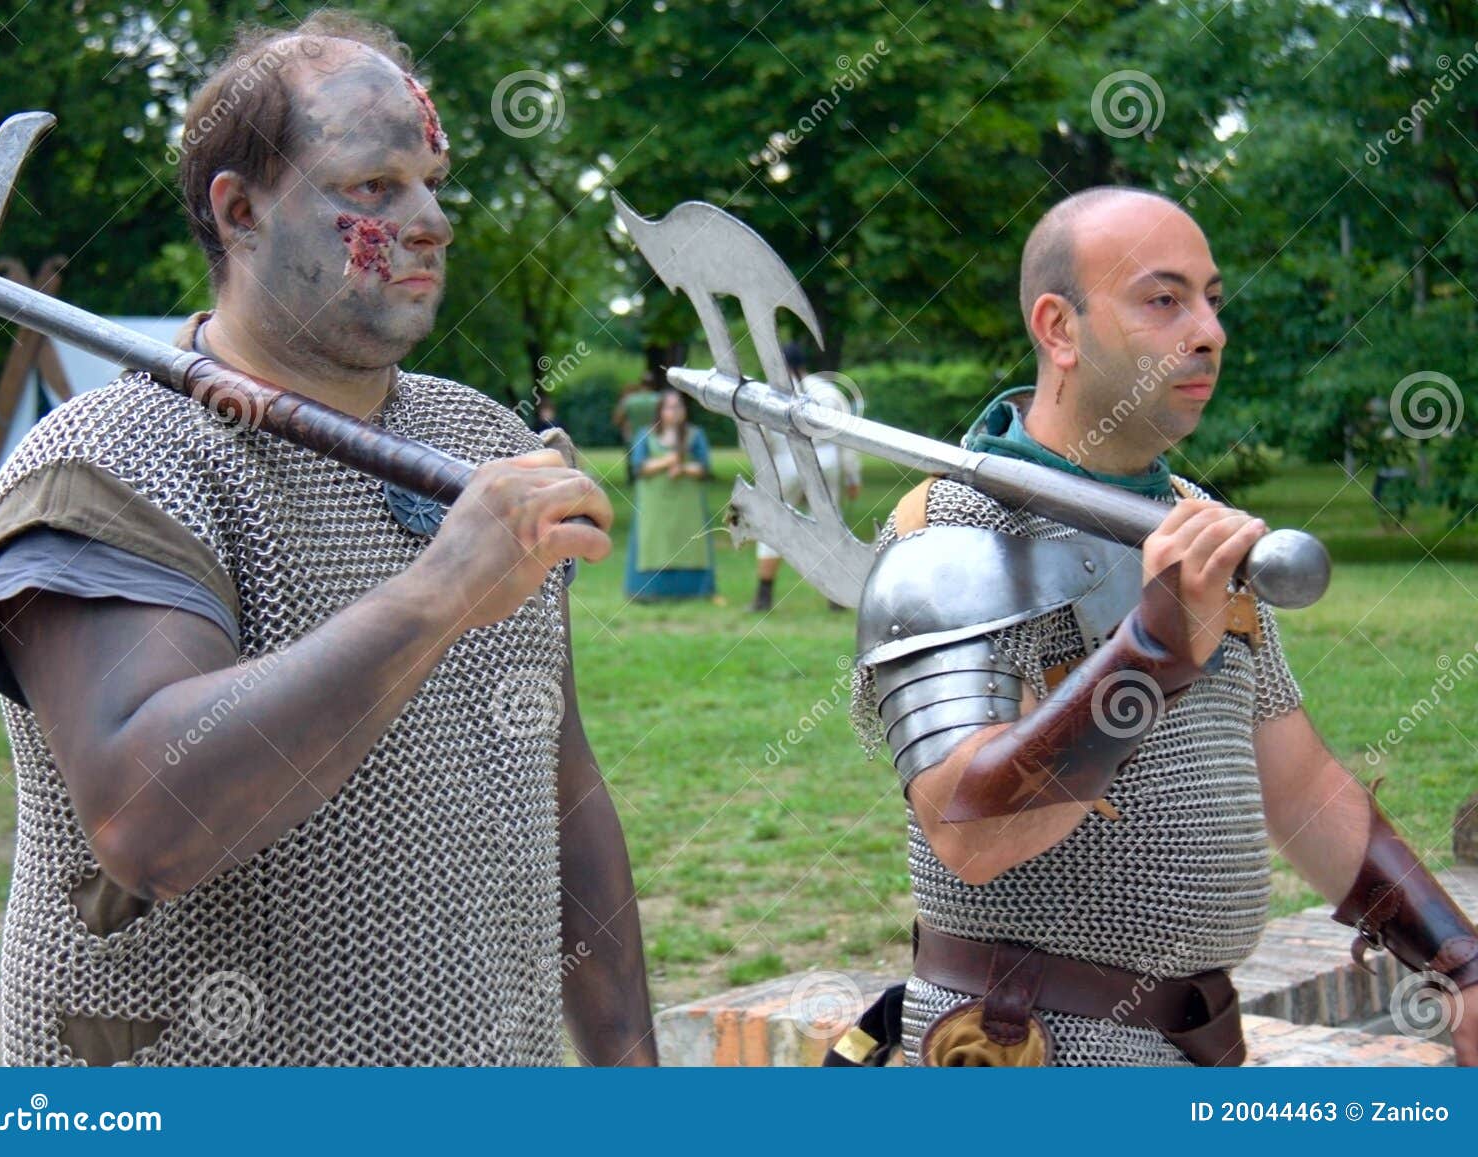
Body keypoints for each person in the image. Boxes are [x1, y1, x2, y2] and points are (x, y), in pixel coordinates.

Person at [0, 13, 655, 1067]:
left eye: (430, 182)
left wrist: (629, 1069)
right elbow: (152, 821)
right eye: (372, 188)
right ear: (240, 212)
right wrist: (439, 591)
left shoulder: (482, 442)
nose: (430, 221)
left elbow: (554, 775)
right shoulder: (105, 465)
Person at [847, 186, 1478, 1067]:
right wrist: (1153, 652)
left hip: (1197, 1048)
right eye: (1163, 299)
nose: (1209, 330)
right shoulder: (952, 535)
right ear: (1059, 329)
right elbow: (970, 832)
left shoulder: (1199, 526)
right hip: (1031, 1050)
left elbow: (1301, 789)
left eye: (1212, 299)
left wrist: (1456, 957)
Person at [751, 343, 862, 612]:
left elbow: (759, 438)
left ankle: (764, 595)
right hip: (825, 462)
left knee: (774, 525)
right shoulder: (828, 391)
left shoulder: (769, 393)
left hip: (785, 462)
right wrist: (852, 476)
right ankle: (836, 597)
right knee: (829, 526)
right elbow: (845, 438)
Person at [625, 388, 715, 601]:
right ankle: (649, 591)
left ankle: (693, 591)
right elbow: (638, 466)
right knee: (653, 541)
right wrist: (668, 461)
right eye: (669, 407)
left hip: (687, 503)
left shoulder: (694, 435)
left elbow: (704, 468)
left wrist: (683, 469)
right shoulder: (646, 435)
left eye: (679, 407)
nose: (674, 412)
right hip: (654, 503)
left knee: (691, 542)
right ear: (660, 411)